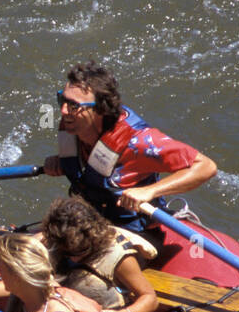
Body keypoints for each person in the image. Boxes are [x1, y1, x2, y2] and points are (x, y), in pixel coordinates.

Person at [40, 62, 217, 242]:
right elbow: (90, 168)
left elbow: (206, 167)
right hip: (87, 222)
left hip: (134, 234)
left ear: (100, 109)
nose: (63, 111)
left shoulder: (139, 142)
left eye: (74, 106)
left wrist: (149, 191)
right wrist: (63, 162)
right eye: (62, 100)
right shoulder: (75, 125)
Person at [38, 196, 158, 312]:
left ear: (93, 238)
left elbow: (150, 298)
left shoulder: (118, 257)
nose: (75, 258)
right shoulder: (54, 241)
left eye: (81, 251)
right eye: (68, 253)